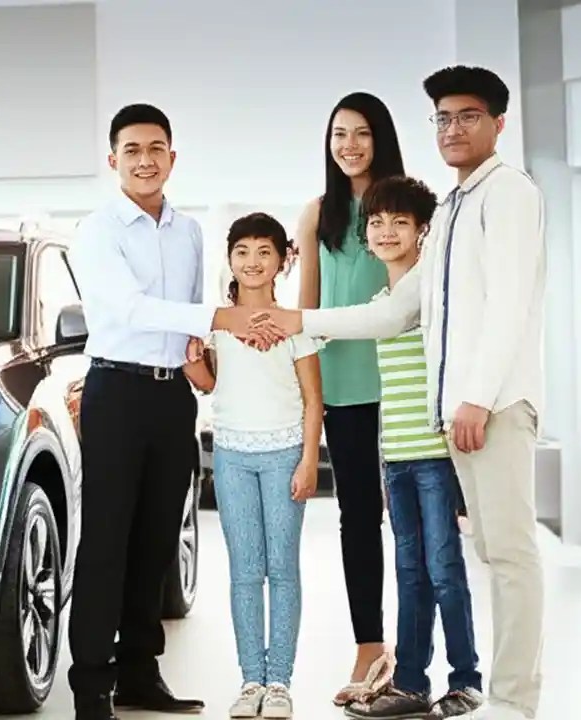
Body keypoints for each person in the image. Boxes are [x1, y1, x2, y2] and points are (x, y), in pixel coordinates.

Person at [251, 65, 546, 720]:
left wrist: (476, 396)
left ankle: (508, 700)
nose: (452, 128)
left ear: (499, 123)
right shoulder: (456, 208)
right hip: (450, 408)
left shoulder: (507, 196)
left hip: (485, 404)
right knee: (448, 554)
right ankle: (417, 682)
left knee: (500, 554)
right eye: (443, 117)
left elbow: (507, 309)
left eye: (467, 116)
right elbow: (389, 313)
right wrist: (296, 322)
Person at [65, 103, 280, 720]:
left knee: (158, 541)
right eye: (132, 149)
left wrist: (206, 350)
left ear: (172, 157)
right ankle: (90, 687)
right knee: (107, 542)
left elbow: (186, 320)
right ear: (113, 160)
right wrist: (219, 317)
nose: (145, 159)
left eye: (156, 147)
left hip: (170, 399)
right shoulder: (97, 230)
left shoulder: (188, 232)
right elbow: (129, 309)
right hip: (117, 394)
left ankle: (139, 673)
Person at [331, 175, 484, 720]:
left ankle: (466, 681)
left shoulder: (429, 295)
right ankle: (412, 685)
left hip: (438, 458)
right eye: (376, 222)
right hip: (395, 456)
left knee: (445, 570)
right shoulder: (381, 299)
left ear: (423, 231)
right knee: (411, 572)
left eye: (401, 222)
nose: (386, 231)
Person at [184, 213, 321, 719]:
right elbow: (209, 384)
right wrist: (191, 359)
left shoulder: (295, 325)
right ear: (230, 260)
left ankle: (280, 681)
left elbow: (313, 401)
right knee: (245, 573)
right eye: (242, 251)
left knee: (282, 570)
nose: (253, 261)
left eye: (264, 251)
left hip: (285, 453)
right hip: (233, 456)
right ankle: (250, 681)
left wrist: (309, 461)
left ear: (283, 259)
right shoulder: (218, 324)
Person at [293, 92, 405, 704]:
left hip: (404, 380)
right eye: (340, 133)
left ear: (380, 138)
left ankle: (412, 656)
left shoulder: (408, 205)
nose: (349, 145)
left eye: (361, 133)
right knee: (359, 516)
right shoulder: (317, 213)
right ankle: (370, 647)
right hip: (345, 385)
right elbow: (309, 308)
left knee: (415, 518)